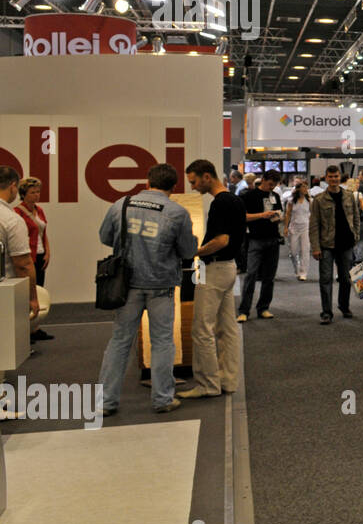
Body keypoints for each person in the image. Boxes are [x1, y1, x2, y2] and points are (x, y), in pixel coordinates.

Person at [95, 163, 198, 416]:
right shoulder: (177, 212)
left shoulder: (122, 205)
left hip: (125, 284)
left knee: (119, 341)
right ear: (173, 187)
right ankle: (162, 399)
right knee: (163, 342)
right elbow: (188, 252)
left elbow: (105, 237)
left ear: (147, 181)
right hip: (161, 284)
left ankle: (106, 402)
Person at [181, 159, 246, 400]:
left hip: (215, 268)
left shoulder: (220, 203)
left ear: (207, 176)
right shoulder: (235, 200)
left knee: (202, 329)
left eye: (194, 181)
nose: (193, 187)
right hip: (228, 268)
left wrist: (193, 252)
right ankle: (228, 380)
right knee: (227, 328)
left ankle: (208, 384)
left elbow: (222, 240)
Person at [309, 164, 362, 325]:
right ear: (326, 178)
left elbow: (356, 218)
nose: (333, 179)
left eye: (336, 176)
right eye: (330, 177)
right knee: (325, 279)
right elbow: (314, 225)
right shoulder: (319, 200)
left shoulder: (349, 196)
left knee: (346, 279)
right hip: (327, 245)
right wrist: (315, 247)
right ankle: (326, 312)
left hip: (346, 244)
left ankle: (344, 306)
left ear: (340, 177)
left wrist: (356, 236)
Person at [236, 169, 284, 322]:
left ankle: (263, 307)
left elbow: (280, 214)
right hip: (255, 240)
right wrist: (262, 215)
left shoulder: (275, 196)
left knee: (269, 277)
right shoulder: (248, 196)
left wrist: (278, 217)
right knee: (251, 275)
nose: (272, 187)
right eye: (270, 184)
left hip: (273, 239)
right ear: (263, 180)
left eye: (275, 184)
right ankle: (244, 310)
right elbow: (242, 217)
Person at [0, 167, 40, 339]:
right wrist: (32, 298)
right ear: (13, 186)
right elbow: (23, 264)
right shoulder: (11, 219)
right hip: (4, 291)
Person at [14, 177, 53, 342]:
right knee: (27, 293)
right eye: (32, 192)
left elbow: (44, 232)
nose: (36, 195)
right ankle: (24, 330)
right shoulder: (17, 213)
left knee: (39, 291)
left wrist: (48, 251)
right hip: (27, 256)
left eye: (38, 192)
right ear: (23, 194)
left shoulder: (40, 210)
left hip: (40, 254)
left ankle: (34, 327)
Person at [285, 182, 312, 280]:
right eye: (303, 187)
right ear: (298, 189)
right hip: (294, 228)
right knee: (293, 251)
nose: (305, 189)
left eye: (306, 187)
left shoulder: (309, 201)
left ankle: (303, 272)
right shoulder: (291, 201)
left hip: (306, 227)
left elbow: (312, 214)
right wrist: (285, 227)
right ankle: (296, 269)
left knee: (305, 250)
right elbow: (288, 214)